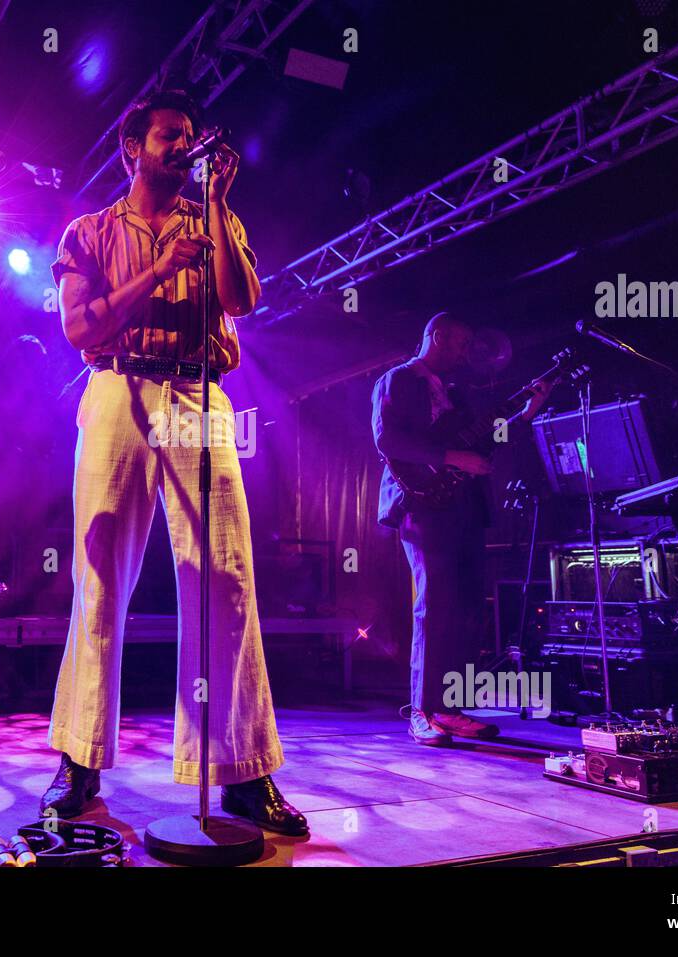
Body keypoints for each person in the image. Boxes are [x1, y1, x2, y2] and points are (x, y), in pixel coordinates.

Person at [39, 90, 306, 835]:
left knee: (225, 577)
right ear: (132, 149)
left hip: (197, 393)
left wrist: (218, 206)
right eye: (168, 136)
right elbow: (78, 325)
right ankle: (79, 760)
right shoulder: (88, 231)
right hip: (118, 385)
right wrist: (157, 272)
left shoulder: (212, 216)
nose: (182, 147)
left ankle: (244, 774)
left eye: (188, 137)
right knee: (99, 581)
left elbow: (241, 299)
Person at [372, 313, 551, 745]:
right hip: (421, 503)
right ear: (436, 337)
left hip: (465, 506)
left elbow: (488, 441)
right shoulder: (397, 380)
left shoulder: (457, 392)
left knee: (467, 606)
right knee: (432, 605)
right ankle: (422, 710)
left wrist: (526, 414)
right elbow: (388, 440)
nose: (466, 352)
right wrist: (451, 457)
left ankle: (448, 707)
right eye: (461, 342)